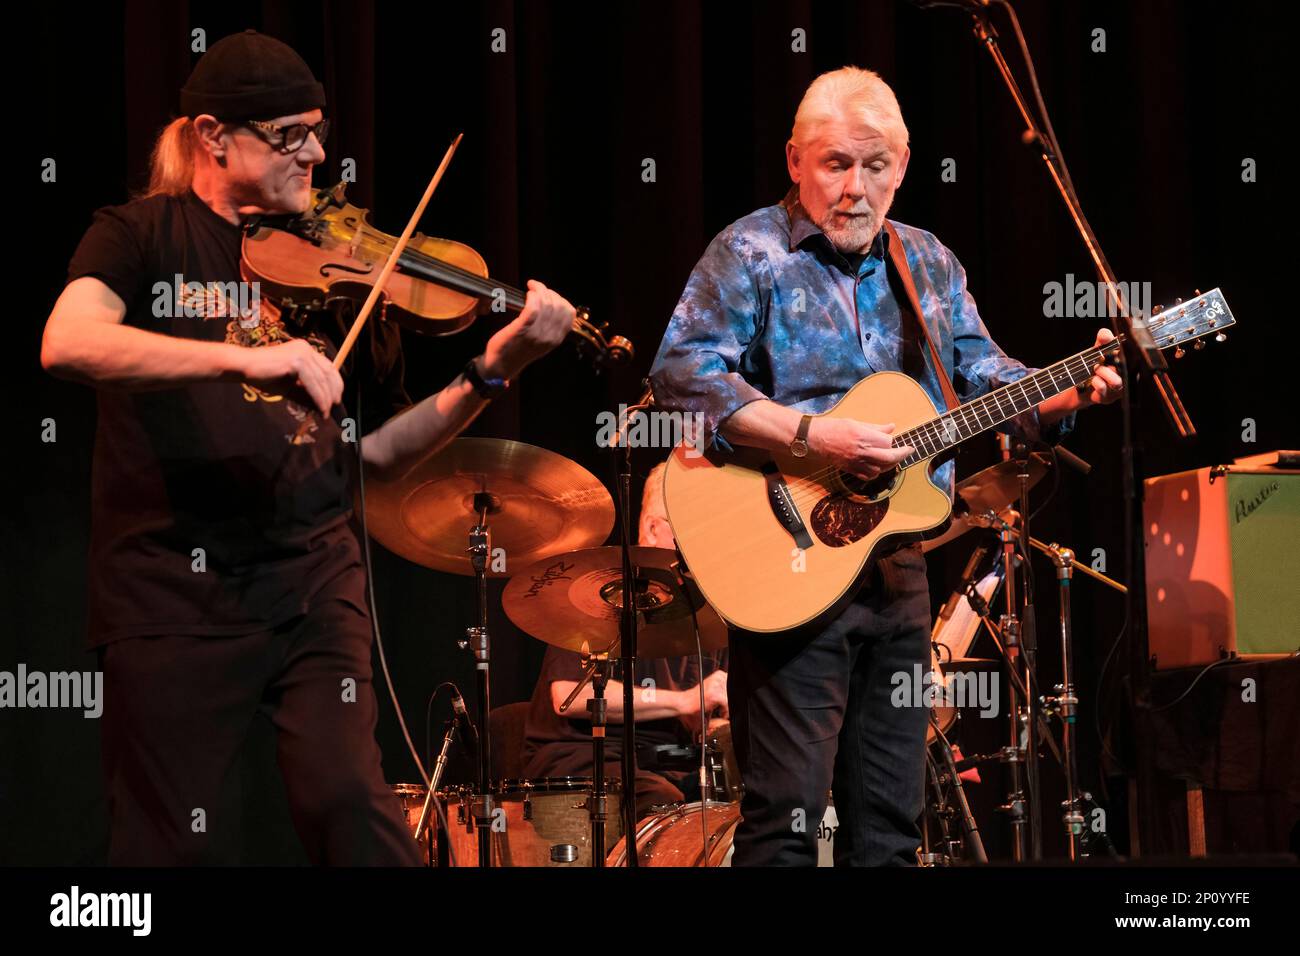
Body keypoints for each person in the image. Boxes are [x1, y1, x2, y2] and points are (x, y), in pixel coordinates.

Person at [40, 29, 577, 865]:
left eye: (318, 129)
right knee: (160, 842)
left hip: (314, 580)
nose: (319, 154)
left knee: (352, 810)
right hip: (170, 590)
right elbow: (67, 342)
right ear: (214, 139)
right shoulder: (142, 235)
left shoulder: (344, 268)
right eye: (291, 135)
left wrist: (491, 371)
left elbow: (379, 453)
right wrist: (247, 358)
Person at [649, 67, 1122, 866]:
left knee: (891, 830)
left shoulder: (927, 262)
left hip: (896, 566)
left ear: (903, 166)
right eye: (836, 164)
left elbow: (983, 373)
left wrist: (1060, 393)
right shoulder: (751, 249)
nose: (855, 190)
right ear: (795, 160)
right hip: (784, 563)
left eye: (876, 167)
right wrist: (813, 439)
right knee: (786, 825)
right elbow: (681, 375)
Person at [520, 462, 729, 816]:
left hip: (670, 761)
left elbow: (714, 712)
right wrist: (684, 702)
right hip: (586, 755)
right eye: (696, 523)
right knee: (662, 799)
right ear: (652, 527)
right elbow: (571, 697)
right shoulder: (595, 591)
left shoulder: (709, 610)